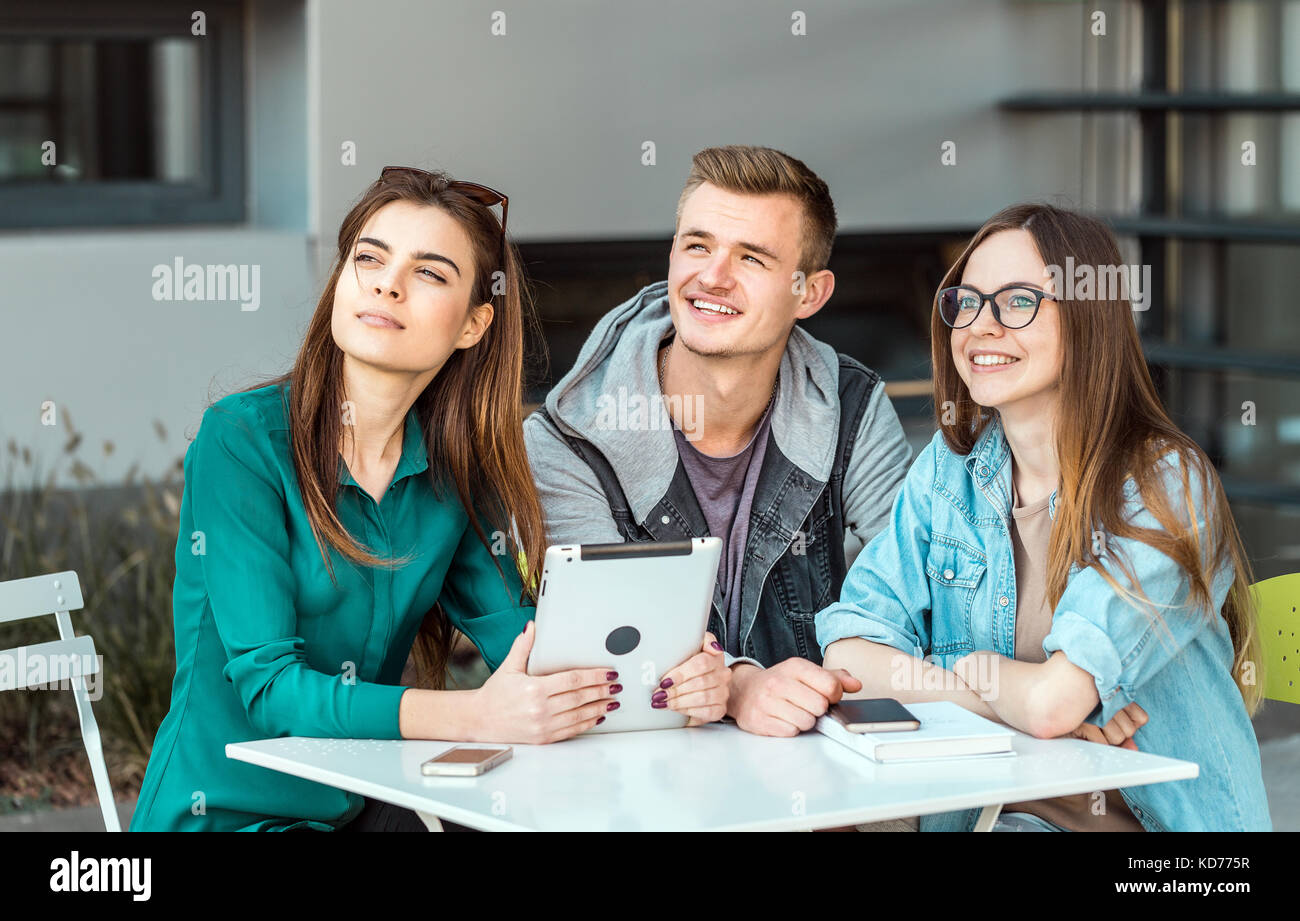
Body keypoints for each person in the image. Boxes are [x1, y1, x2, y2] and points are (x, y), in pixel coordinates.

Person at [130, 166, 728, 831]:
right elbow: (271, 691)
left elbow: (532, 646)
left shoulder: (455, 473)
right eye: (371, 259)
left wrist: (670, 679)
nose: (388, 282)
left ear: (474, 324)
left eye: (430, 273)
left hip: (357, 804)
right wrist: (475, 713)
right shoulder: (241, 441)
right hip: (224, 814)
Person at [816, 203, 1271, 831]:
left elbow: (1053, 706)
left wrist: (950, 675)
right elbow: (850, 653)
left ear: (1088, 320)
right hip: (983, 815)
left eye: (1019, 301)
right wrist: (1015, 695)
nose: (981, 326)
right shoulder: (947, 473)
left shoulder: (1165, 484)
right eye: (967, 301)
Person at [525, 146, 913, 736]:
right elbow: (610, 664)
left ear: (809, 293)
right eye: (697, 245)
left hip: (815, 770)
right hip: (635, 790)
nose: (712, 276)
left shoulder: (855, 409)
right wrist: (738, 684)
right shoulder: (568, 440)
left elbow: (907, 594)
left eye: (751, 258)